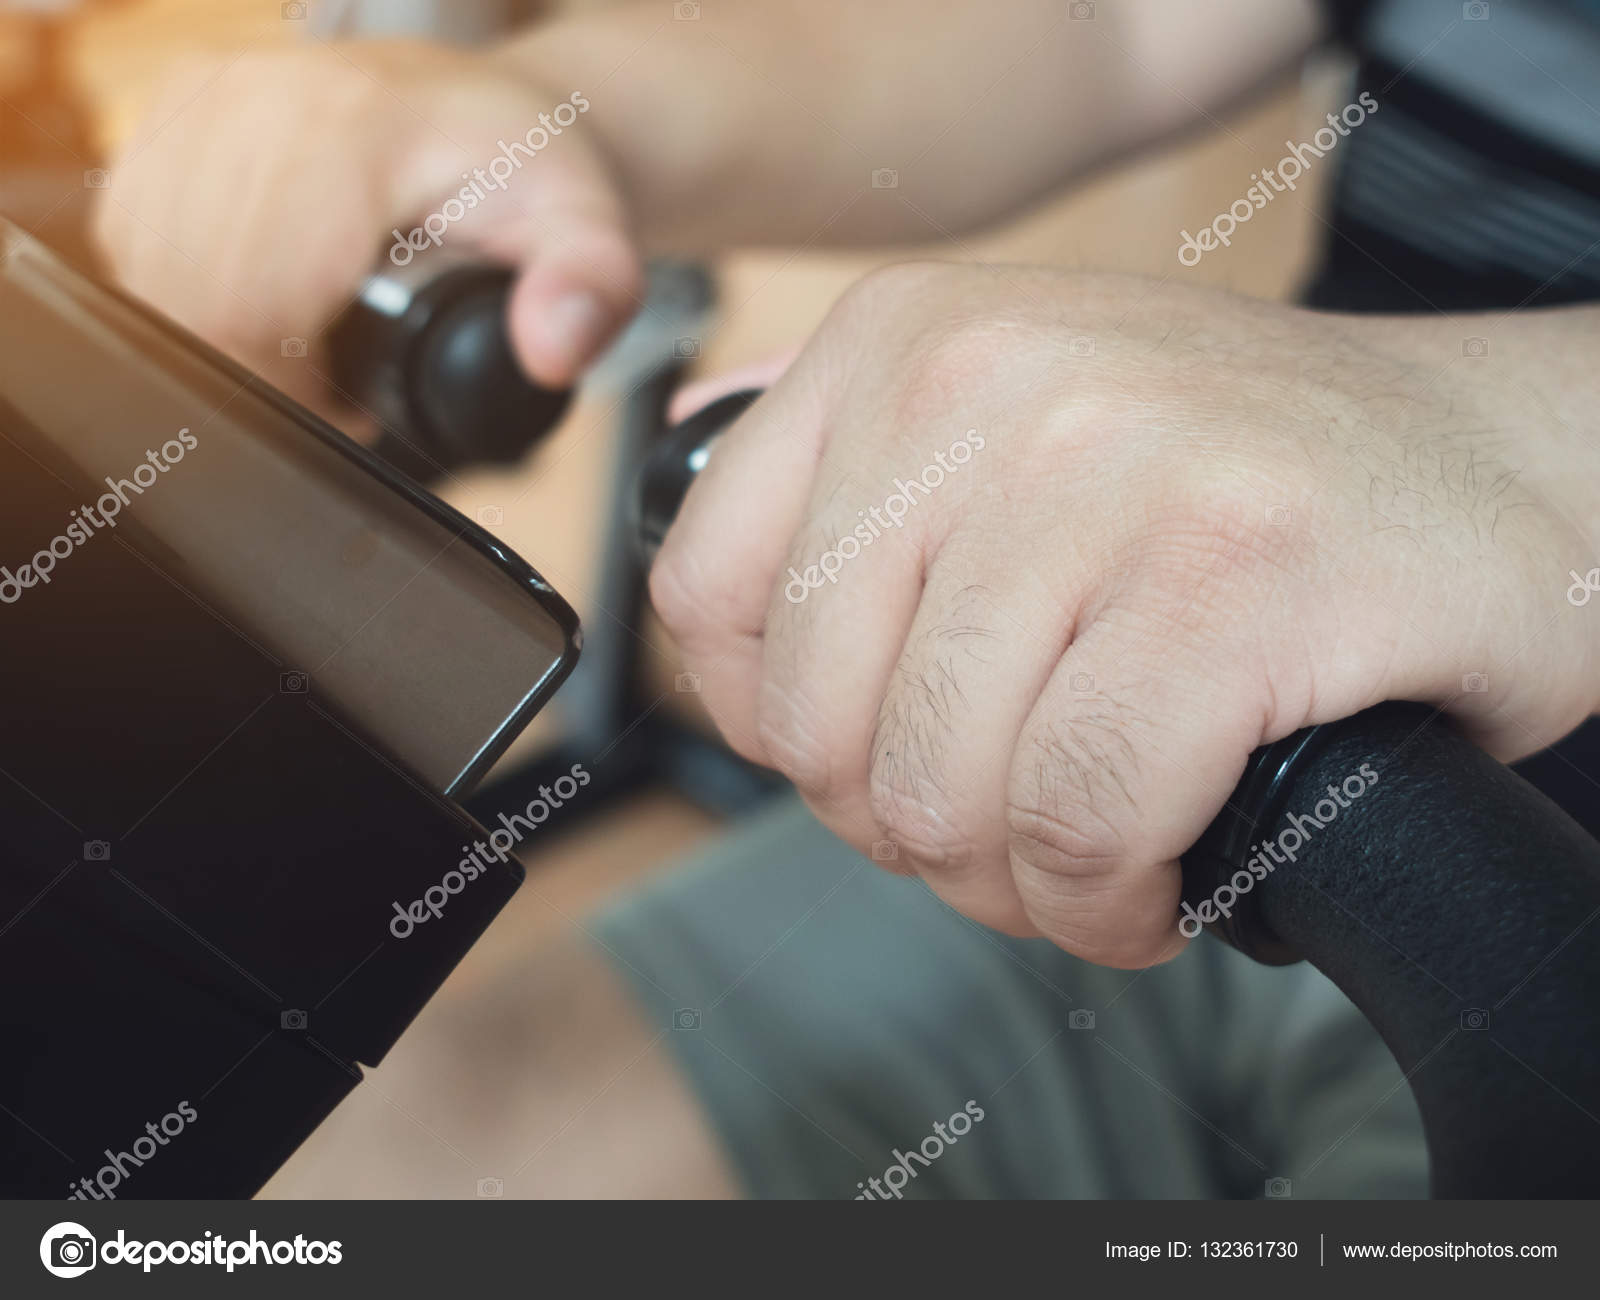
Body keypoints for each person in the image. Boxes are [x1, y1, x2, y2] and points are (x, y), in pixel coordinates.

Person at [96, 0, 1599, 1198]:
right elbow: (1123, 26)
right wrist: (560, 117)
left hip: (1482, 880)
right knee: (298, 1175)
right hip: (1192, 787)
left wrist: (1529, 449)